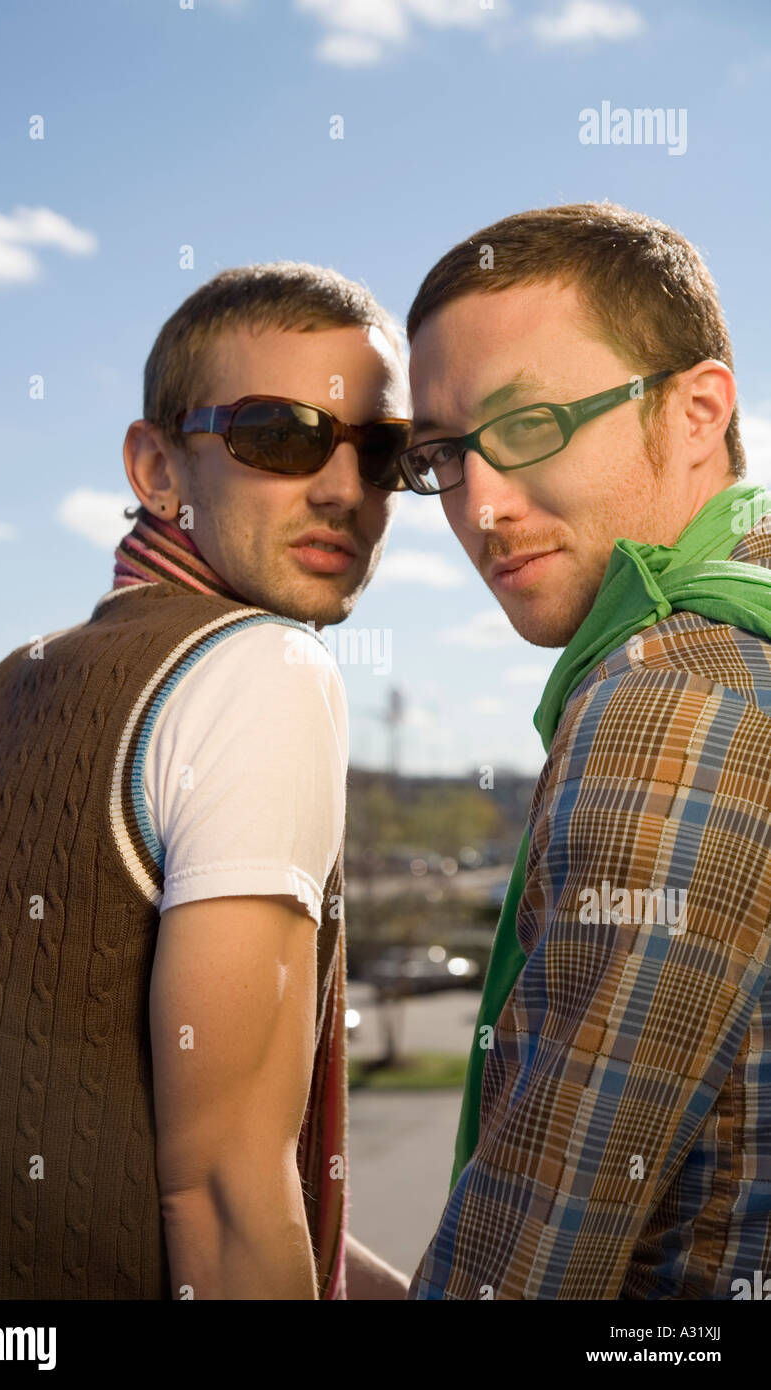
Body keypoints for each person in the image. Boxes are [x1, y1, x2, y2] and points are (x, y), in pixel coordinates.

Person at [0, 261, 412, 1300]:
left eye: (386, 452)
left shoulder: (8, 682)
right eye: (279, 435)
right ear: (157, 468)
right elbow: (225, 1201)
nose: (343, 489)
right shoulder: (263, 669)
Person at [395, 202, 771, 1299]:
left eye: (530, 426)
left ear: (696, 409)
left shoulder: (671, 700)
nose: (481, 506)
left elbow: (535, 1247)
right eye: (443, 455)